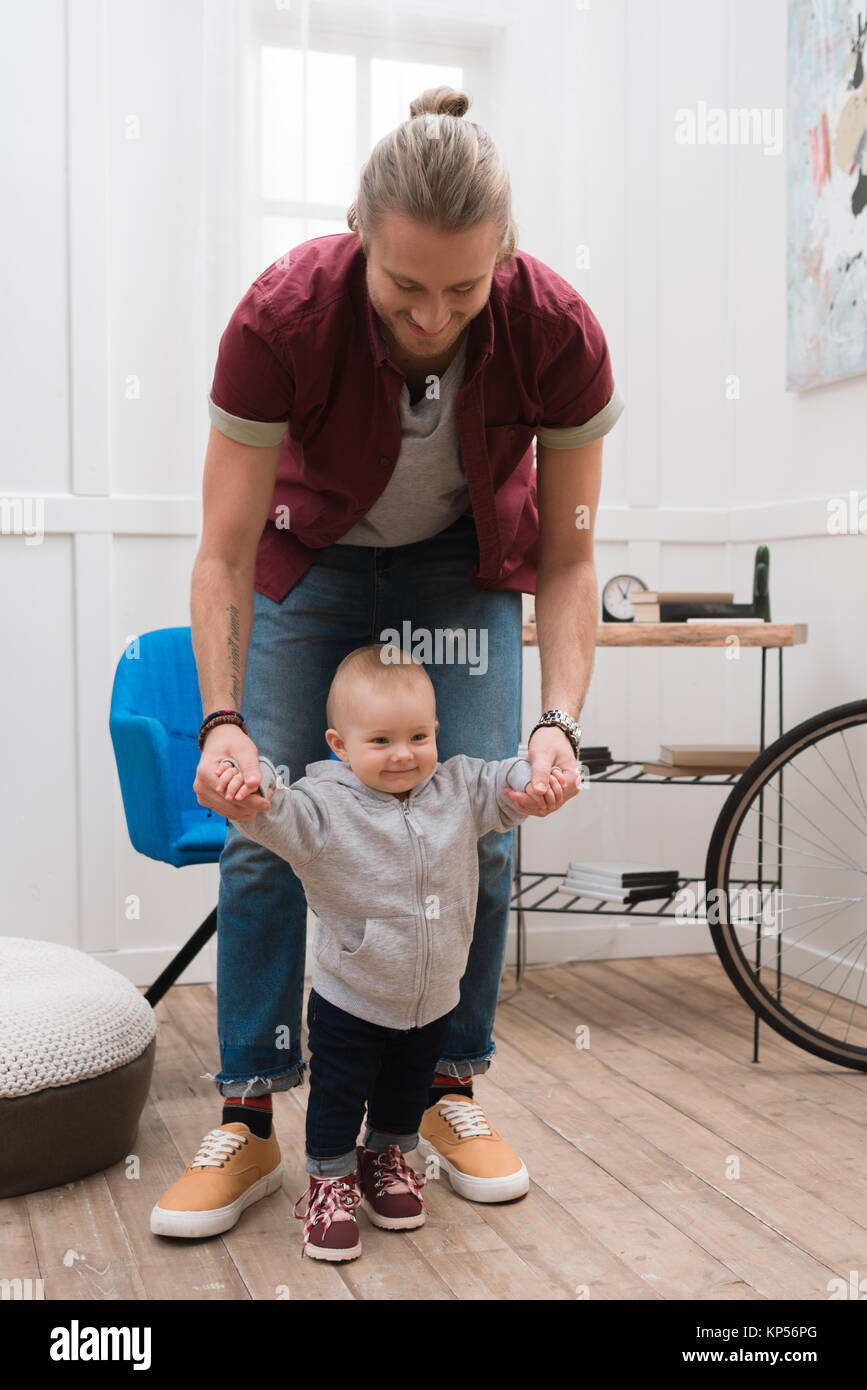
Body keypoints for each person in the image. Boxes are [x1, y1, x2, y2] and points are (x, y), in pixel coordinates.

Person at [150, 84, 623, 1241]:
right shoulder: (281, 319)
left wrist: (555, 720)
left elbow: (568, 561)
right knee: (267, 828)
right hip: (307, 557)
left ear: (504, 257)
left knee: (486, 825)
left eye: (463, 289)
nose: (431, 314)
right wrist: (223, 720)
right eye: (404, 284)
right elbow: (221, 549)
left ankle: (446, 1091)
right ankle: (253, 1113)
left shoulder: (557, 332)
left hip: (461, 562)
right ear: (357, 229)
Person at [216, 642, 565, 1259]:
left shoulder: (456, 789)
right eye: (380, 741)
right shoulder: (323, 809)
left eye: (418, 737)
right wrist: (256, 788)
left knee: (407, 1096)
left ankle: (388, 1160)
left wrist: (531, 778)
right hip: (352, 998)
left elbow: (499, 783)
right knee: (338, 1099)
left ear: (436, 731)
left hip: (433, 997)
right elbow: (277, 814)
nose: (403, 755)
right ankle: (328, 1183)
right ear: (339, 744)